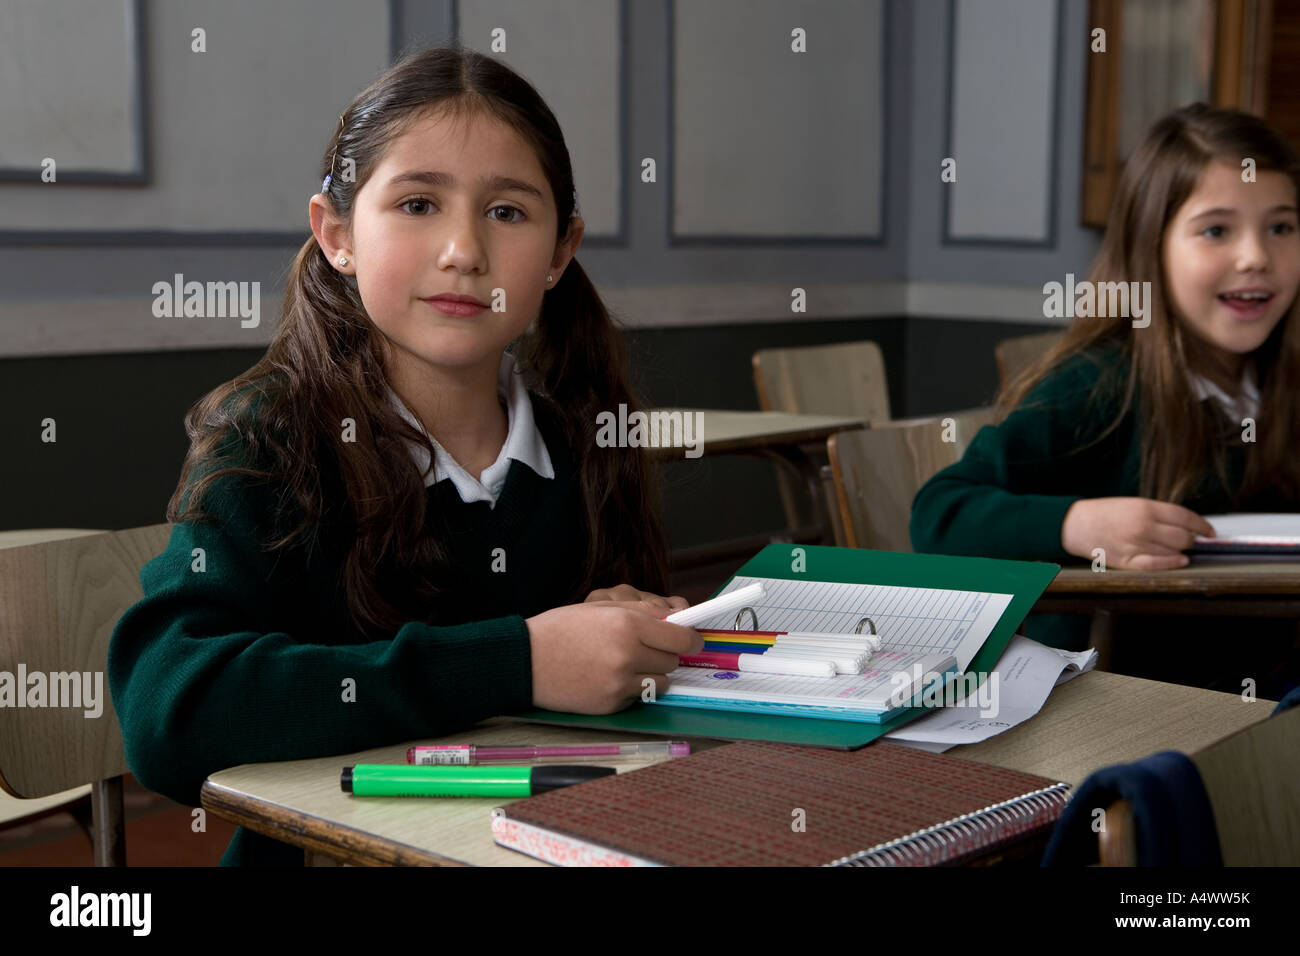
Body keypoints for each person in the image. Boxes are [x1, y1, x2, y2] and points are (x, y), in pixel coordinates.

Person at [108, 46, 703, 867]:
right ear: (338, 234)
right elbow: (167, 712)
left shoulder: (586, 436)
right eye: (419, 202)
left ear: (561, 253)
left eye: (507, 213)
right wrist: (518, 661)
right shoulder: (268, 438)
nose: (463, 249)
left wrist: (628, 643)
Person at [910, 103, 1300, 696]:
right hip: (1132, 706)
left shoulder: (1281, 378)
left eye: (1282, 227)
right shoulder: (1099, 383)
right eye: (1217, 230)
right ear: (1152, 249)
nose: (1256, 256)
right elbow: (940, 515)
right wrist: (1075, 523)